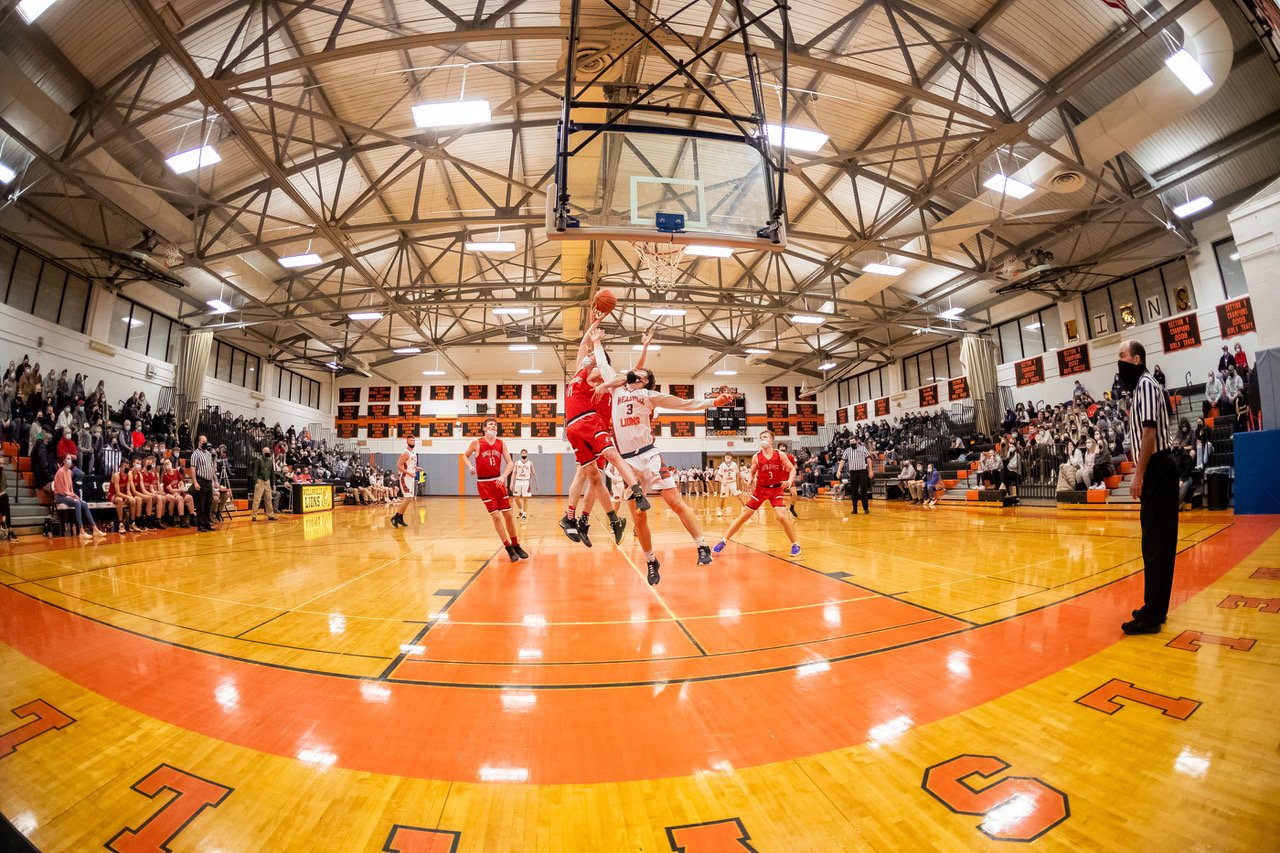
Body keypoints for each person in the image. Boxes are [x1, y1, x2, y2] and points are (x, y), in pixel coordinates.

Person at [591, 339, 733, 580]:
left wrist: (713, 402)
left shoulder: (649, 395)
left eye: (639, 372)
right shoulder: (616, 389)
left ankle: (701, 546)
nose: (634, 371)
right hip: (627, 463)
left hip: (649, 455)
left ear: (644, 380)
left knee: (675, 502)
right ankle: (650, 560)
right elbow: (604, 363)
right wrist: (596, 340)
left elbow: (686, 404)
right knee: (638, 515)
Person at [556, 316, 650, 546]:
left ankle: (583, 520)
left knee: (593, 478)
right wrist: (593, 324)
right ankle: (579, 520)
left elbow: (633, 374)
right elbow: (582, 345)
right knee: (589, 476)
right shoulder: (582, 371)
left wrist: (644, 349)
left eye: (592, 354)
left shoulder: (607, 379)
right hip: (584, 427)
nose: (587, 354)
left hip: (598, 428)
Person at [1116, 339, 1177, 635]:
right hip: (1155, 468)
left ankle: (1151, 616)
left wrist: (1138, 475)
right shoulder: (1139, 388)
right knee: (1154, 543)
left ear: (1137, 359)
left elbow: (1150, 431)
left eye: (1122, 355)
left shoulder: (1148, 385)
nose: (1119, 361)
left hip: (1158, 468)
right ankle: (1155, 607)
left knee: (1156, 544)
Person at [712, 430, 800, 557]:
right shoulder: (756, 457)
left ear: (771, 441)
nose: (762, 439)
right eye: (760, 437)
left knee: (782, 517)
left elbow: (792, 469)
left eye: (765, 437)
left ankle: (795, 544)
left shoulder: (780, 455)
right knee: (744, 515)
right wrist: (750, 478)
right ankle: (723, 541)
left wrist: (790, 480)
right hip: (761, 489)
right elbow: (752, 472)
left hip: (776, 489)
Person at [463, 418, 527, 562]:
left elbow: (509, 462)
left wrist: (504, 476)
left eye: (495, 424)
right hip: (484, 484)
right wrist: (469, 466)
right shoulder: (477, 442)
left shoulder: (501, 443)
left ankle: (516, 545)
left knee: (508, 515)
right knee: (496, 516)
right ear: (484, 428)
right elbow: (464, 456)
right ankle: (508, 547)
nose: (494, 426)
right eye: (491, 424)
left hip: (498, 481)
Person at [54, 454, 104, 539]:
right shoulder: (60, 472)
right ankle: (81, 531)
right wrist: (71, 496)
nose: (70, 460)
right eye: (68, 459)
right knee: (77, 503)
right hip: (61, 496)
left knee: (84, 504)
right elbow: (61, 490)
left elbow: (70, 488)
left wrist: (74, 495)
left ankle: (95, 529)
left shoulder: (70, 472)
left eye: (70, 459)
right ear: (64, 461)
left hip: (68, 495)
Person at [390, 435, 421, 529]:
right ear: (407, 442)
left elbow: (410, 465)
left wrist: (416, 468)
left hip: (411, 477)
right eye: (411, 440)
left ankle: (400, 517)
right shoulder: (405, 453)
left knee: (409, 499)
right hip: (405, 477)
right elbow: (399, 466)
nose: (413, 442)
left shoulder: (413, 453)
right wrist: (409, 473)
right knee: (407, 498)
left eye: (414, 440)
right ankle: (395, 517)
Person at [835, 437, 872, 514]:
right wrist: (838, 471)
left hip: (862, 471)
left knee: (863, 490)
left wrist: (870, 471)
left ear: (857, 442)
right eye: (851, 442)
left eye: (853, 441)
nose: (852, 443)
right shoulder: (847, 451)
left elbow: (868, 459)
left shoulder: (863, 448)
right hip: (853, 473)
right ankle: (855, 508)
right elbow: (842, 460)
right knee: (854, 491)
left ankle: (865, 508)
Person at [190, 435, 215, 532]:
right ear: (199, 443)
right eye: (203, 441)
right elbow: (193, 469)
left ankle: (207, 523)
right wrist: (195, 482)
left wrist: (212, 480)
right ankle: (201, 525)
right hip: (201, 480)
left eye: (206, 441)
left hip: (209, 482)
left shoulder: (208, 454)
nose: (205, 443)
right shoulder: (195, 454)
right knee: (201, 504)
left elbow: (211, 467)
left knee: (208, 504)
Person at [249, 445, 278, 522]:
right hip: (260, 480)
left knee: (269, 499)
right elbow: (255, 472)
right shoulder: (259, 460)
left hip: (267, 481)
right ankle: (254, 516)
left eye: (268, 452)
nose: (268, 453)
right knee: (257, 499)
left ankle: (270, 515)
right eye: (266, 452)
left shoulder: (270, 461)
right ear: (263, 452)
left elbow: (272, 473)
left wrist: (274, 484)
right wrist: (255, 482)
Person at [163, 457, 195, 527]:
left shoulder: (176, 472)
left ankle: (192, 518)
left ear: (171, 463)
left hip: (178, 492)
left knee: (189, 497)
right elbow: (170, 490)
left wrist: (181, 488)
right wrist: (180, 490)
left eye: (168, 462)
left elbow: (181, 483)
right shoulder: (165, 476)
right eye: (166, 464)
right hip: (170, 494)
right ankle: (182, 520)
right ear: (164, 466)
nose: (168, 464)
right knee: (180, 499)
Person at [509, 449, 538, 520]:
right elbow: (514, 473)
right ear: (521, 454)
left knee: (525, 498)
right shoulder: (517, 463)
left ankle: (524, 513)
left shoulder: (530, 463)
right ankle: (521, 510)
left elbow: (534, 473)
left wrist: (536, 483)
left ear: (527, 454)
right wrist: (511, 483)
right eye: (523, 453)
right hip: (518, 481)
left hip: (526, 481)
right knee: (516, 498)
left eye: (525, 453)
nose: (524, 454)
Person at [777, 442, 799, 517]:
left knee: (794, 494)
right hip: (779, 479)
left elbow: (795, 466)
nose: (782, 449)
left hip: (788, 478)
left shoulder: (790, 457)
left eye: (784, 448)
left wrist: (791, 468)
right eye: (781, 448)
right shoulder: (776, 457)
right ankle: (780, 512)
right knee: (779, 496)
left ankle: (792, 508)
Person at [0, 453, 15, 540]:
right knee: (6, 501)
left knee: (5, 499)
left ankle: (8, 528)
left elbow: (4, 488)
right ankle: (9, 530)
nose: (1, 466)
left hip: (1, 500)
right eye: (0, 464)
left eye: (2, 464)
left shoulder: (3, 474)